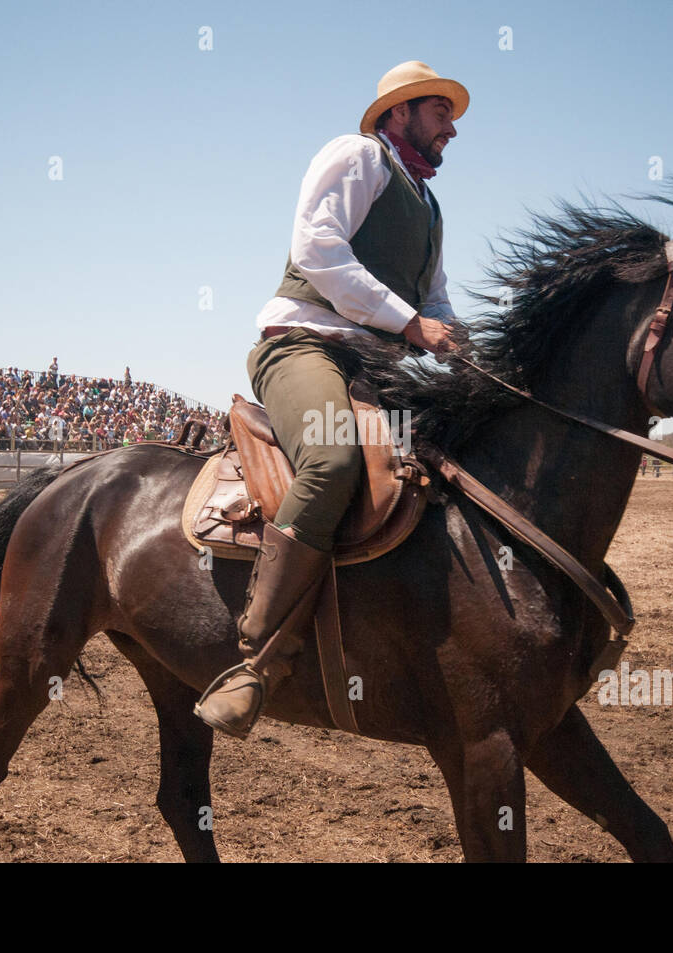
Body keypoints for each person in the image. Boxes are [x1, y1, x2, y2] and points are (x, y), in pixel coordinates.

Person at [195, 61, 466, 738]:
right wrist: (410, 325)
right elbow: (316, 249)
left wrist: (458, 345)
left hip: (380, 362)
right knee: (333, 459)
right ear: (398, 113)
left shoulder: (430, 207)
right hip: (307, 345)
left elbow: (434, 299)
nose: (452, 128)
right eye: (440, 112)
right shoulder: (358, 155)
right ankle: (257, 659)